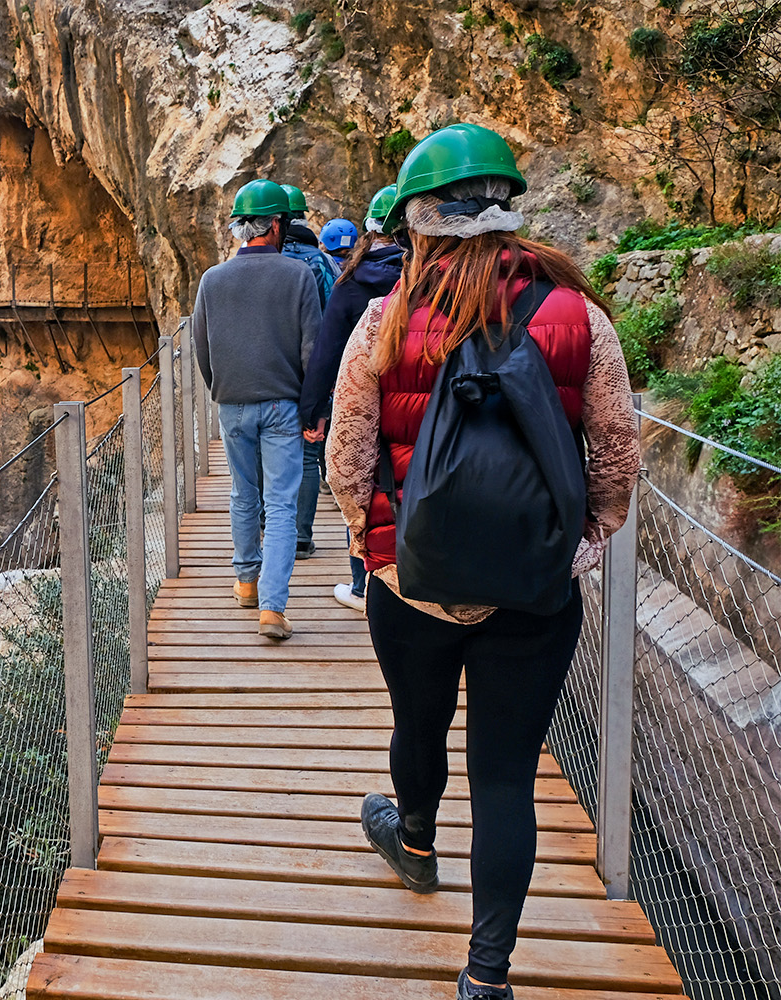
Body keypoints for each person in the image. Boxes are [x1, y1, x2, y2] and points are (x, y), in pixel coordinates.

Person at [325, 124, 640, 1000]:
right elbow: (615, 450)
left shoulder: (382, 324)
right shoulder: (579, 315)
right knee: (507, 773)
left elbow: (349, 461)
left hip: (410, 579)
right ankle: (488, 977)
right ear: (508, 211)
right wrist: (585, 541)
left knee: (418, 726)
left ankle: (415, 840)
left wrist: (372, 543)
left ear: (417, 222)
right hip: (534, 590)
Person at [192, 179, 321, 639]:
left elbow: (201, 347)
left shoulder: (212, 280)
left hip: (232, 404)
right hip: (284, 406)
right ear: (277, 224)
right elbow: (312, 350)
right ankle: (272, 607)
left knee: (242, 494)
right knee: (281, 504)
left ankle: (246, 581)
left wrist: (221, 389)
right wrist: (313, 412)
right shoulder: (298, 276)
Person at [299, 185, 404, 612]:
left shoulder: (353, 281)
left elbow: (327, 351)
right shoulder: (426, 276)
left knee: (363, 487)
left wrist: (313, 411)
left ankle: (364, 584)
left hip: (359, 401)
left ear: (371, 229)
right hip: (416, 405)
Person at [279, 183, 337, 559]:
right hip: (310, 373)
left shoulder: (257, 259)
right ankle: (300, 535)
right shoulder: (320, 262)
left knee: (264, 454)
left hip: (267, 375)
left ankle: (271, 526)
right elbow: (333, 318)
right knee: (306, 457)